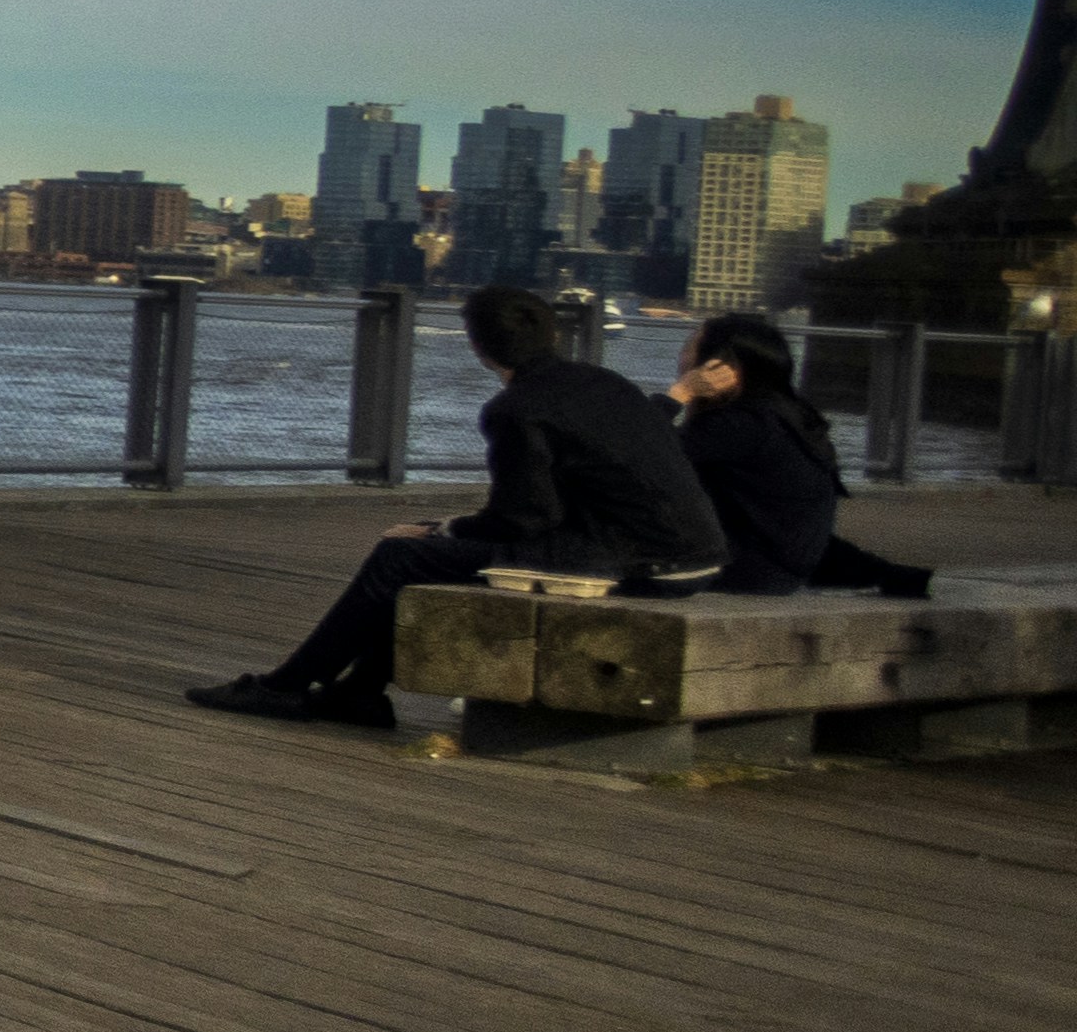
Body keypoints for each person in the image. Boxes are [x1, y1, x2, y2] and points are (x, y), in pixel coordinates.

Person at [187, 285, 728, 721]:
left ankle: (286, 687)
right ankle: (358, 691)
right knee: (428, 559)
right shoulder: (606, 383)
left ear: (478, 347)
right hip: (698, 555)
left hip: (640, 564)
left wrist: (442, 528)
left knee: (398, 556)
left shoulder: (515, 409)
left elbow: (523, 519)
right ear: (549, 334)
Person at [673, 310, 934, 602]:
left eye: (689, 347)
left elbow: (636, 459)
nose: (681, 356)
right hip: (781, 566)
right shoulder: (790, 415)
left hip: (748, 572)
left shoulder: (737, 424)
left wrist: (678, 394)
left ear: (718, 367)